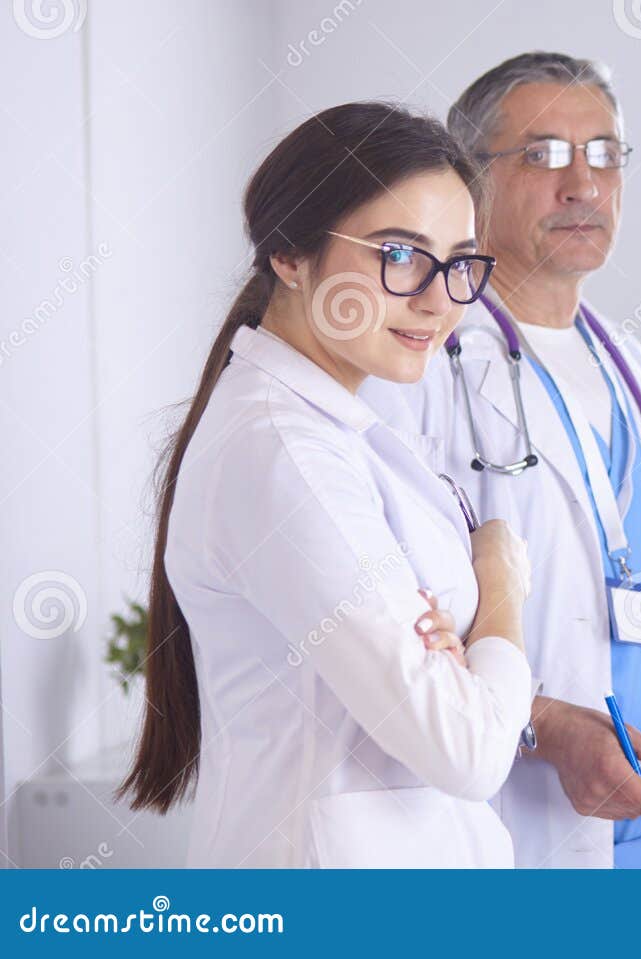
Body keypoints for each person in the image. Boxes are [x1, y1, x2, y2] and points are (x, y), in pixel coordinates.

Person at [361, 53, 641, 869]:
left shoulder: (625, 357)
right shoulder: (427, 360)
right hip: (532, 818)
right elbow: (398, 624)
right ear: (473, 182)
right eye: (543, 155)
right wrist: (541, 726)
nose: (583, 185)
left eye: (605, 154)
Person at [120, 102, 534, 868]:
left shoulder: (339, 430)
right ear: (289, 253)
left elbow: (451, 713)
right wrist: (502, 592)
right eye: (400, 254)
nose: (439, 299)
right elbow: (469, 749)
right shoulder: (283, 454)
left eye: (458, 263)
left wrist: (466, 653)